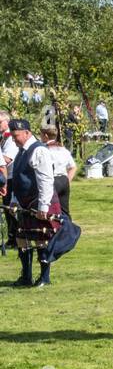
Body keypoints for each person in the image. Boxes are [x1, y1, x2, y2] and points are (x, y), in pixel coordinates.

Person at [6, 119, 60, 288]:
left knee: (41, 239)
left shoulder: (39, 151)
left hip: (38, 202)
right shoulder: (21, 151)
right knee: (22, 240)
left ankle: (44, 277)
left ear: (27, 133)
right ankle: (26, 276)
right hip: (24, 204)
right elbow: (17, 178)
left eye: (16, 136)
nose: (14, 140)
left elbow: (45, 179)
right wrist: (14, 200)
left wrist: (44, 206)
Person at [41, 125, 75, 217]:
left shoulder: (44, 149)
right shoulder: (63, 149)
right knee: (65, 209)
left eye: (41, 135)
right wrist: (67, 180)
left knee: (51, 209)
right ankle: (68, 228)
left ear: (46, 136)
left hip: (52, 180)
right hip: (64, 179)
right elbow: (72, 167)